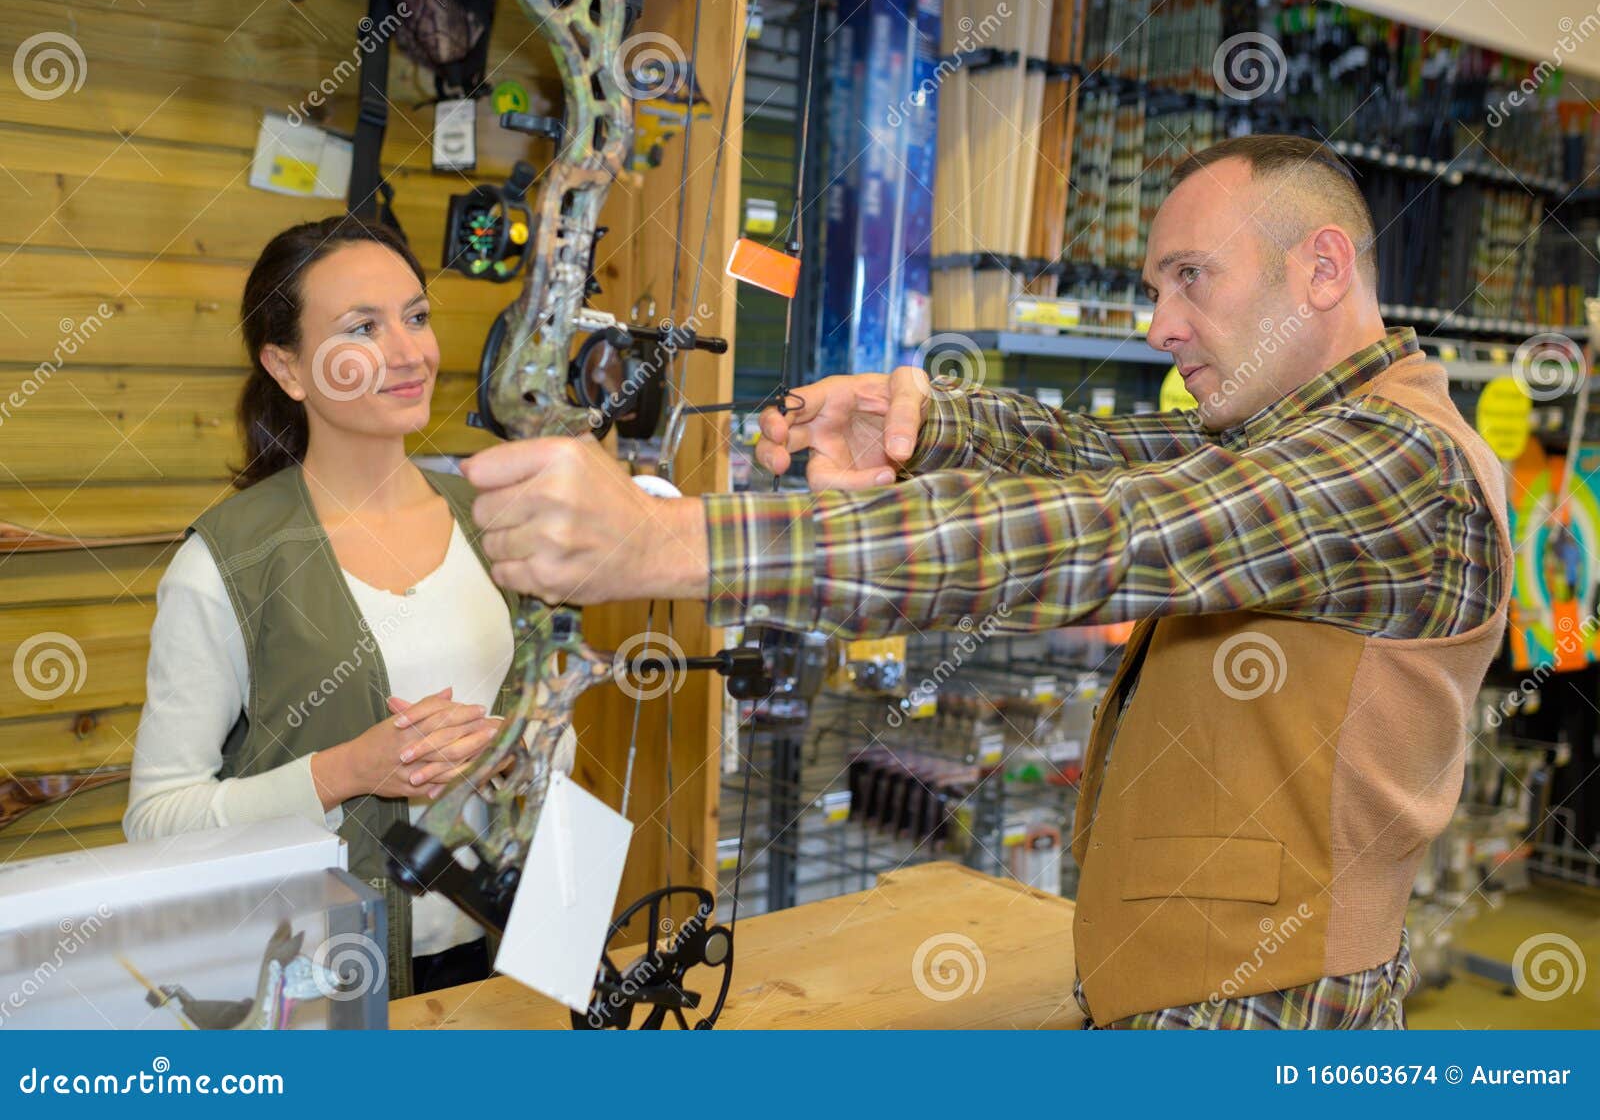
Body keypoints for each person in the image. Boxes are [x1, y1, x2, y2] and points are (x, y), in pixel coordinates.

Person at [459, 135, 1511, 1029]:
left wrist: (663, 541)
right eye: (1157, 289)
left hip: (1260, 1011)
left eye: (1192, 276)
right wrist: (916, 424)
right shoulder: (1302, 437)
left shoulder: (1395, 464)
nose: (1161, 326)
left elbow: (1096, 533)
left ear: (1322, 268)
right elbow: (1102, 458)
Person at [124, 216, 573, 999]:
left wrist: (519, 752)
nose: (409, 353)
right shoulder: (225, 565)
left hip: (511, 964)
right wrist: (345, 772)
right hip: (321, 986)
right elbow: (157, 822)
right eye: (363, 328)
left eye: (417, 316)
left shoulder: (501, 520)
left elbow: (558, 730)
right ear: (287, 369)